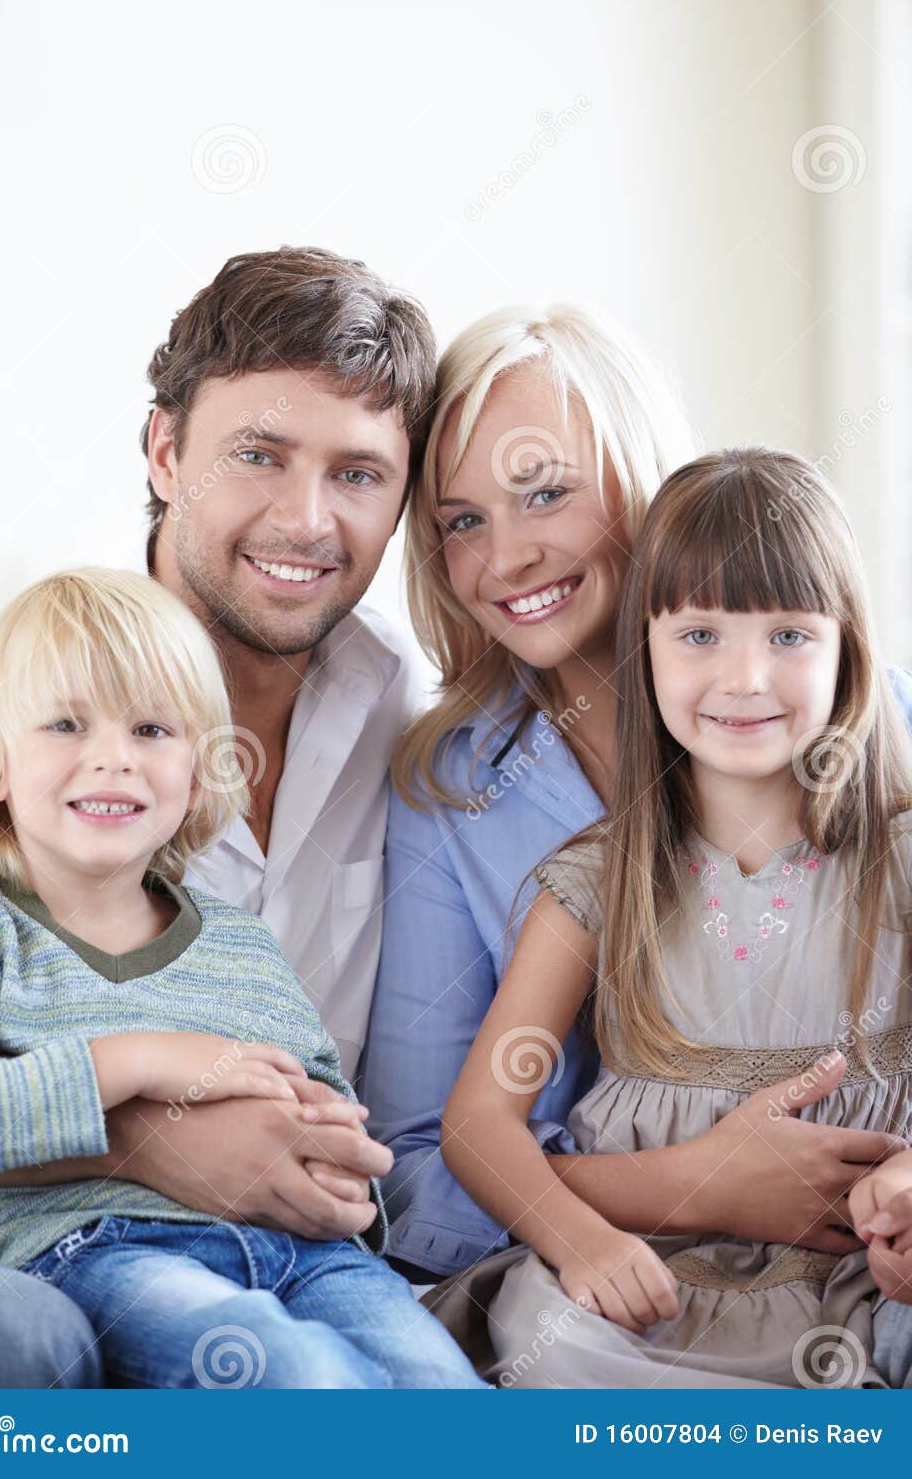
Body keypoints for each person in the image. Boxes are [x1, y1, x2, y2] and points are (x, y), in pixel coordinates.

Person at [0, 246, 435, 1386]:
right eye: (257, 455)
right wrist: (148, 1141)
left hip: (291, 1261)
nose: (306, 518)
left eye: (359, 474)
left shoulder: (397, 712)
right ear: (165, 451)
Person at [362, 306, 912, 1318]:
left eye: (545, 494)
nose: (505, 559)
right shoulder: (453, 793)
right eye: (462, 520)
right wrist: (694, 1187)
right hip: (631, 1290)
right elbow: (417, 1166)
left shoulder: (879, 742)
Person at [0, 569, 484, 1390]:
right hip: (98, 1252)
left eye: (151, 730)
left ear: (200, 771)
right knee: (302, 1374)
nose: (112, 759)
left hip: (312, 1258)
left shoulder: (239, 944)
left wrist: (338, 1171)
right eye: (65, 725)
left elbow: (314, 1095)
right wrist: (137, 1060)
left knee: (442, 1389)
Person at [443, 448, 912, 1388]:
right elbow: (478, 1123)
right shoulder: (596, 882)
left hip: (860, 1284)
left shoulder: (898, 863)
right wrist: (579, 1241)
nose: (744, 679)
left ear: (846, 650)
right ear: (644, 651)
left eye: (789, 635)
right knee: (558, 1345)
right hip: (653, 1293)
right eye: (699, 634)